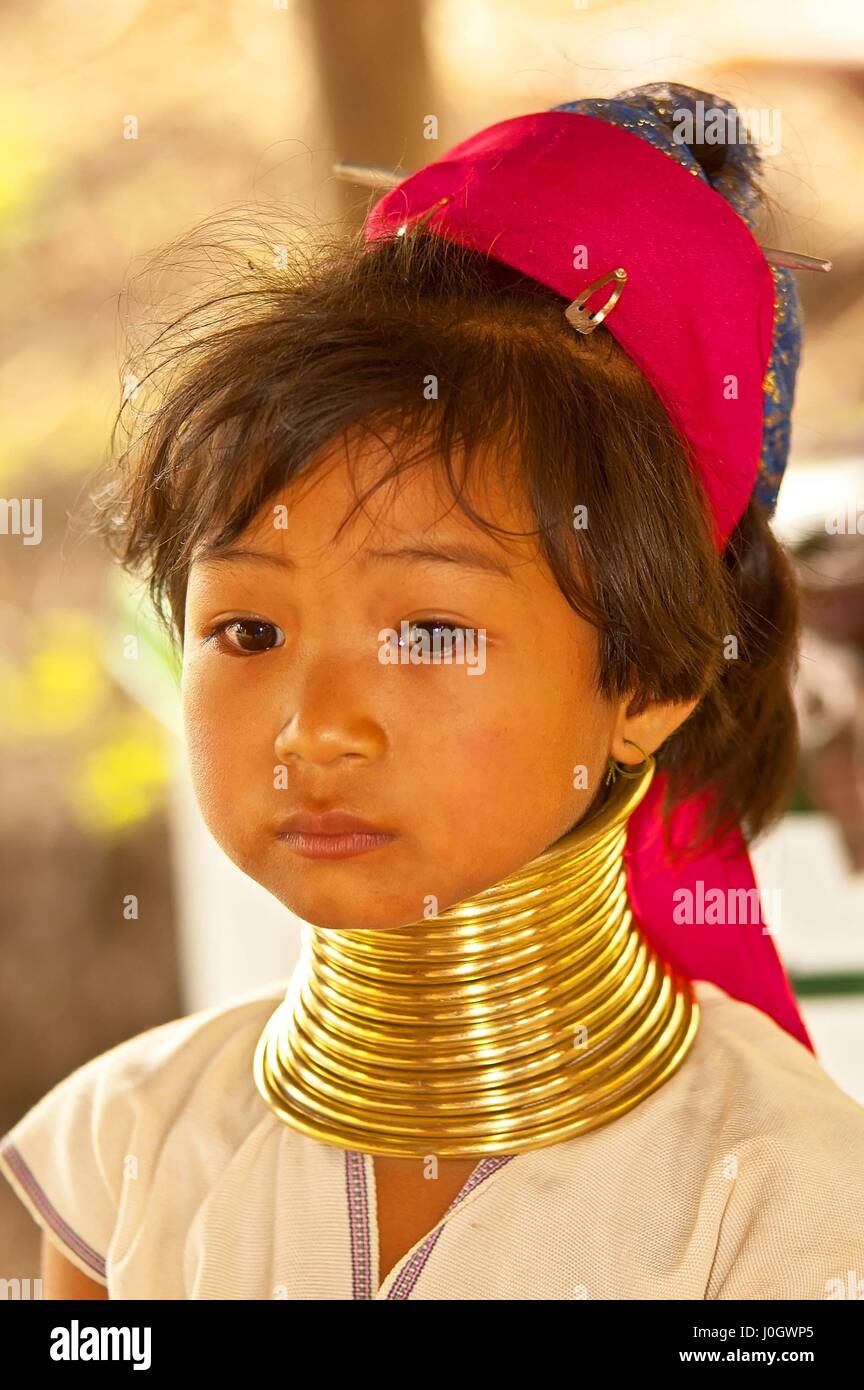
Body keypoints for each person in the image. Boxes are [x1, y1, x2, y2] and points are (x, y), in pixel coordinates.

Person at [2, 81, 863, 1301]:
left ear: (657, 675)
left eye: (430, 632)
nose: (316, 726)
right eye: (247, 626)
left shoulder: (785, 1208)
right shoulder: (126, 1156)